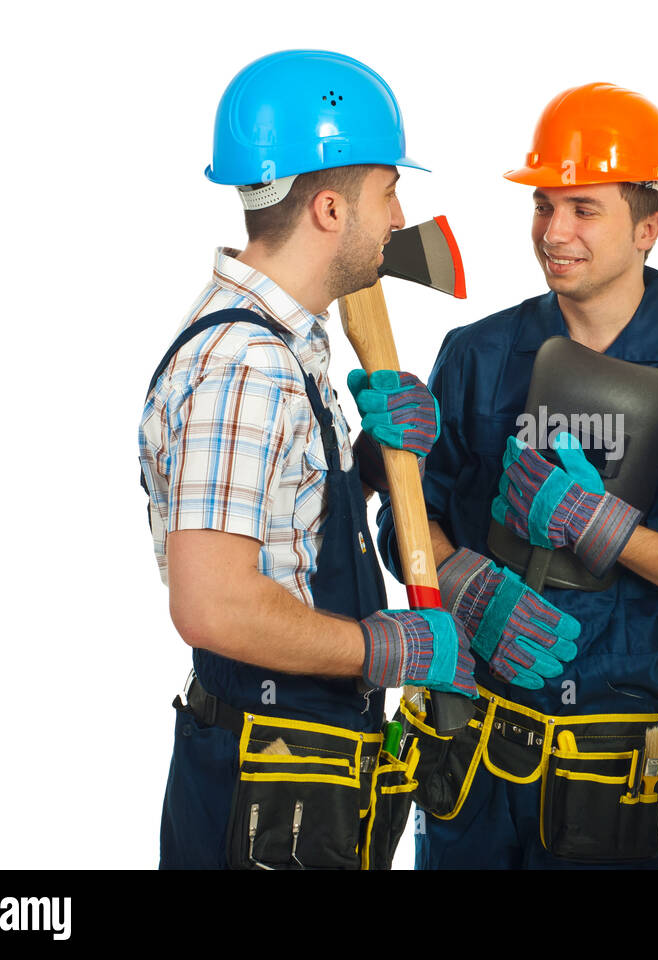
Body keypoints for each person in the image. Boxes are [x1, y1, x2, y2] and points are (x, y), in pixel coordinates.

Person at [379, 82, 658, 869]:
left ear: (649, 228)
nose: (553, 232)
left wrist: (615, 535)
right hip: (468, 761)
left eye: (584, 209)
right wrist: (457, 575)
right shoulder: (478, 355)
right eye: (543, 206)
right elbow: (403, 513)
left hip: (611, 777)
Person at [138, 49, 474, 870]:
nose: (400, 220)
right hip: (264, 787)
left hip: (300, 776)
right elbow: (213, 604)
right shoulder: (246, 365)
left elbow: (284, 527)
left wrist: (361, 464)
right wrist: (379, 649)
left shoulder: (287, 347)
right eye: (388, 193)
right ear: (330, 207)